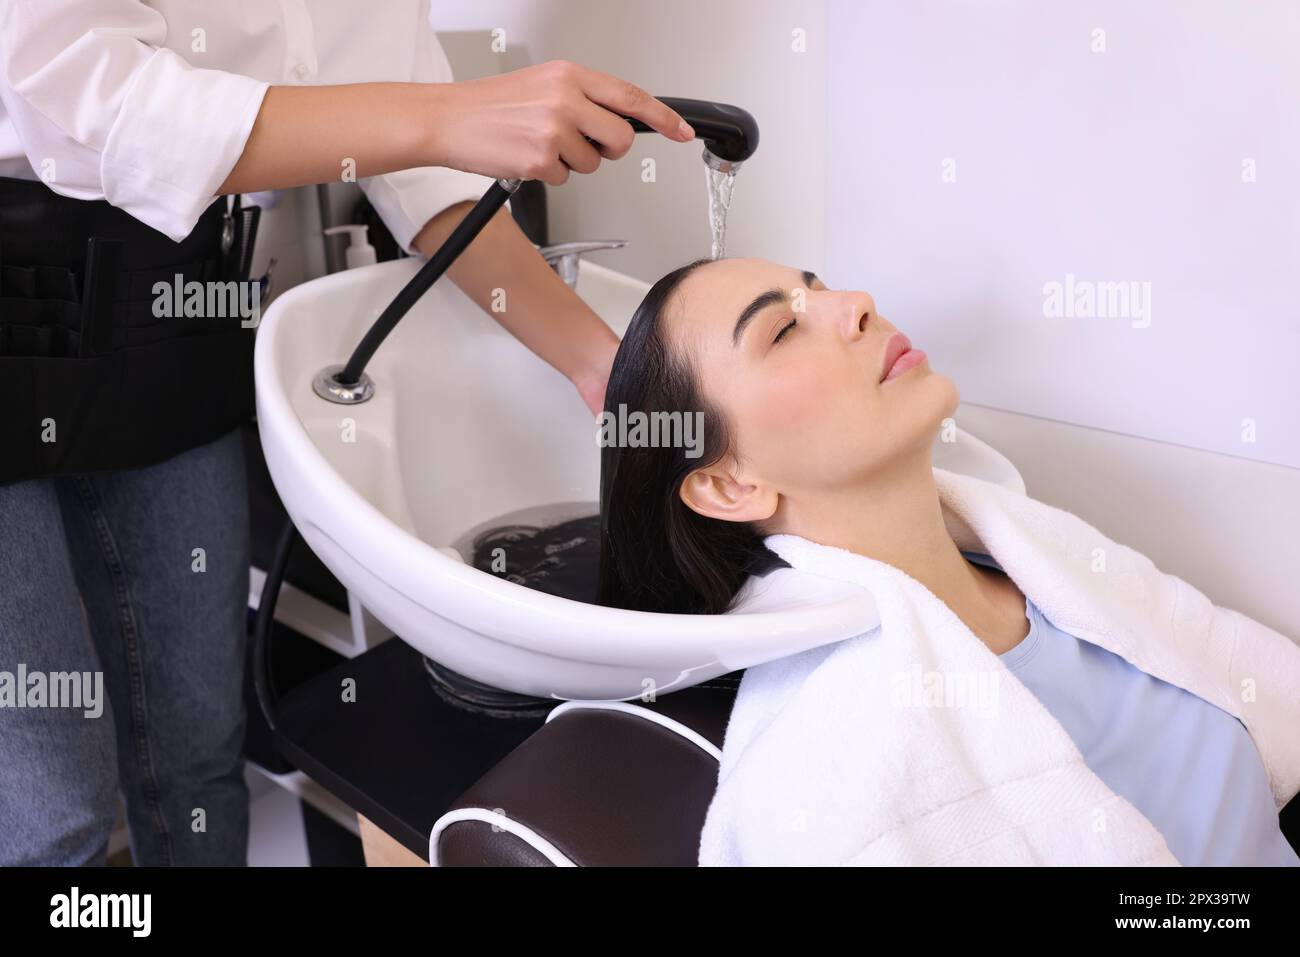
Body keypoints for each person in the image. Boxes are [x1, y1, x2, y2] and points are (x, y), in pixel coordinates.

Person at [0, 0, 694, 866]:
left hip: (169, 311)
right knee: (55, 815)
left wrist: (601, 365)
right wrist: (447, 116)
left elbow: (427, 181)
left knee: (198, 757)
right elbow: (79, 98)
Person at [594, 256, 1300, 866]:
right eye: (782, 329)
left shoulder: (1056, 573)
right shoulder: (831, 759)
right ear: (729, 484)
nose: (857, 304)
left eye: (822, 289)